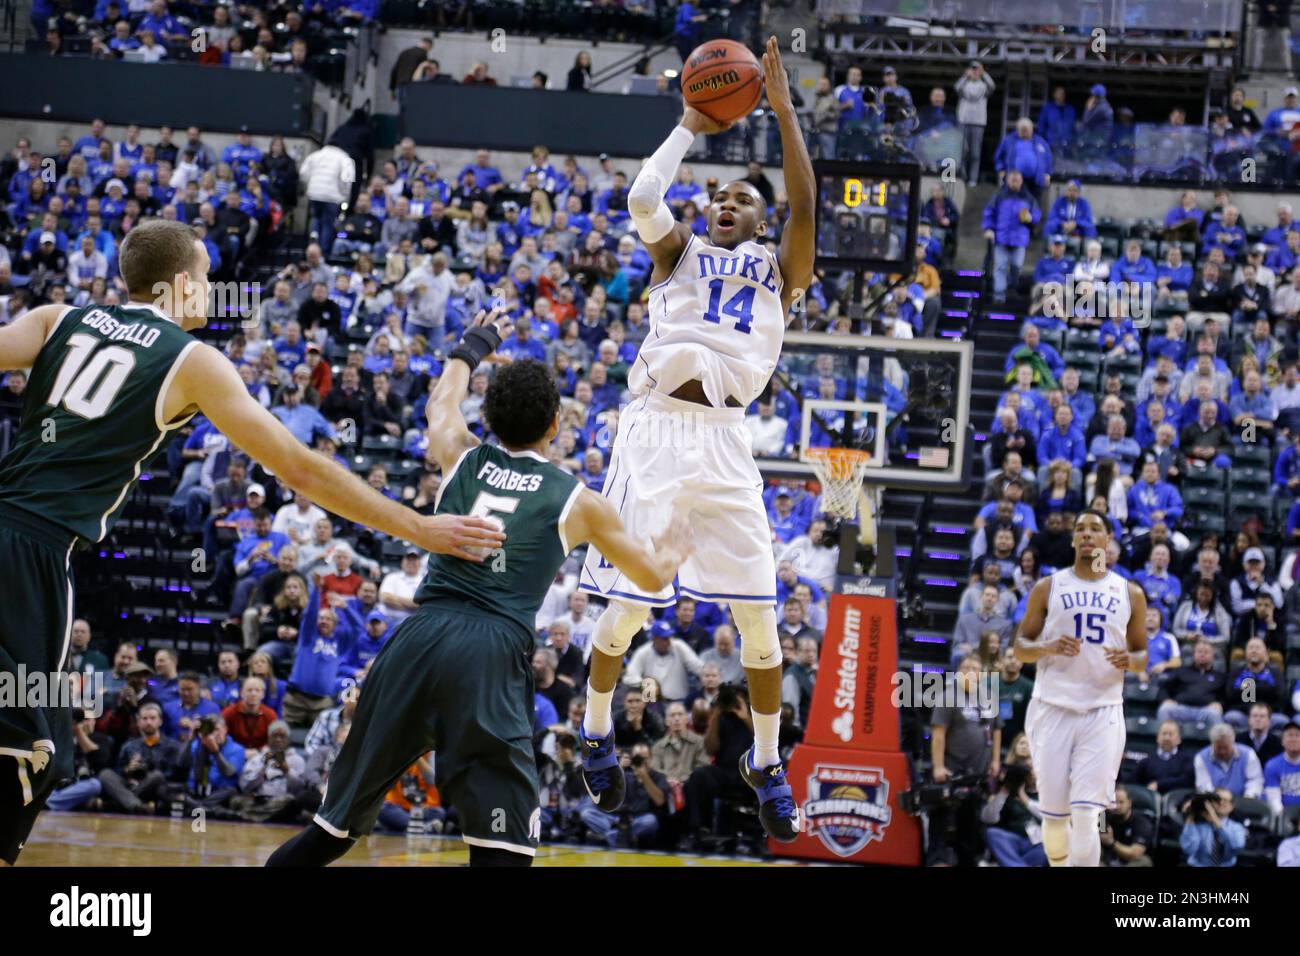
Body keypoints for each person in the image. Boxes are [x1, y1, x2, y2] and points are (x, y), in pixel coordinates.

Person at [0, 219, 504, 866]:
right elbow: (299, 467)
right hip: (32, 554)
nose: (210, 292)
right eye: (207, 279)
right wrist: (417, 526)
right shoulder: (191, 361)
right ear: (181, 285)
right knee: (19, 752)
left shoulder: (54, 318)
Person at [266, 311, 693, 869]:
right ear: (556, 423)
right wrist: (678, 538)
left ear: (488, 418)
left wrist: (473, 345)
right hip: (489, 654)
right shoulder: (578, 500)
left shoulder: (461, 454)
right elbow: (651, 577)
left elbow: (439, 403)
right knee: (500, 850)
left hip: (416, 641)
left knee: (331, 833)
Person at [575, 38, 812, 845]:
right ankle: (595, 733)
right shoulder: (677, 254)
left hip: (724, 442)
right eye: (717, 196)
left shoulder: (780, 269)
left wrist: (781, 112)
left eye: (741, 200)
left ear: (761, 219)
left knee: (760, 627)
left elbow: (806, 207)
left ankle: (770, 763)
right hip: (653, 436)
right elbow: (646, 194)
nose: (723, 203)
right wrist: (686, 124)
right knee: (622, 618)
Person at [1014, 510, 1149, 867]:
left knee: (1088, 815)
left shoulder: (1130, 592)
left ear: (1107, 541)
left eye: (1095, 529)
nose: (1087, 534)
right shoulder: (1048, 587)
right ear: (1073, 540)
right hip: (1052, 707)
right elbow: (1019, 648)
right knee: (1055, 818)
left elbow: (1142, 656)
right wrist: (1047, 647)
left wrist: (1129, 660)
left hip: (1102, 710)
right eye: (1080, 529)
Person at [1134, 720, 1197, 793]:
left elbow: (1187, 780)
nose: (1167, 738)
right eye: (1164, 734)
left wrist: (1159, 784)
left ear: (1179, 739)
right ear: (1157, 737)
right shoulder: (1147, 760)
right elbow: (1134, 781)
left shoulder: (1187, 759)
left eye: (1170, 734)